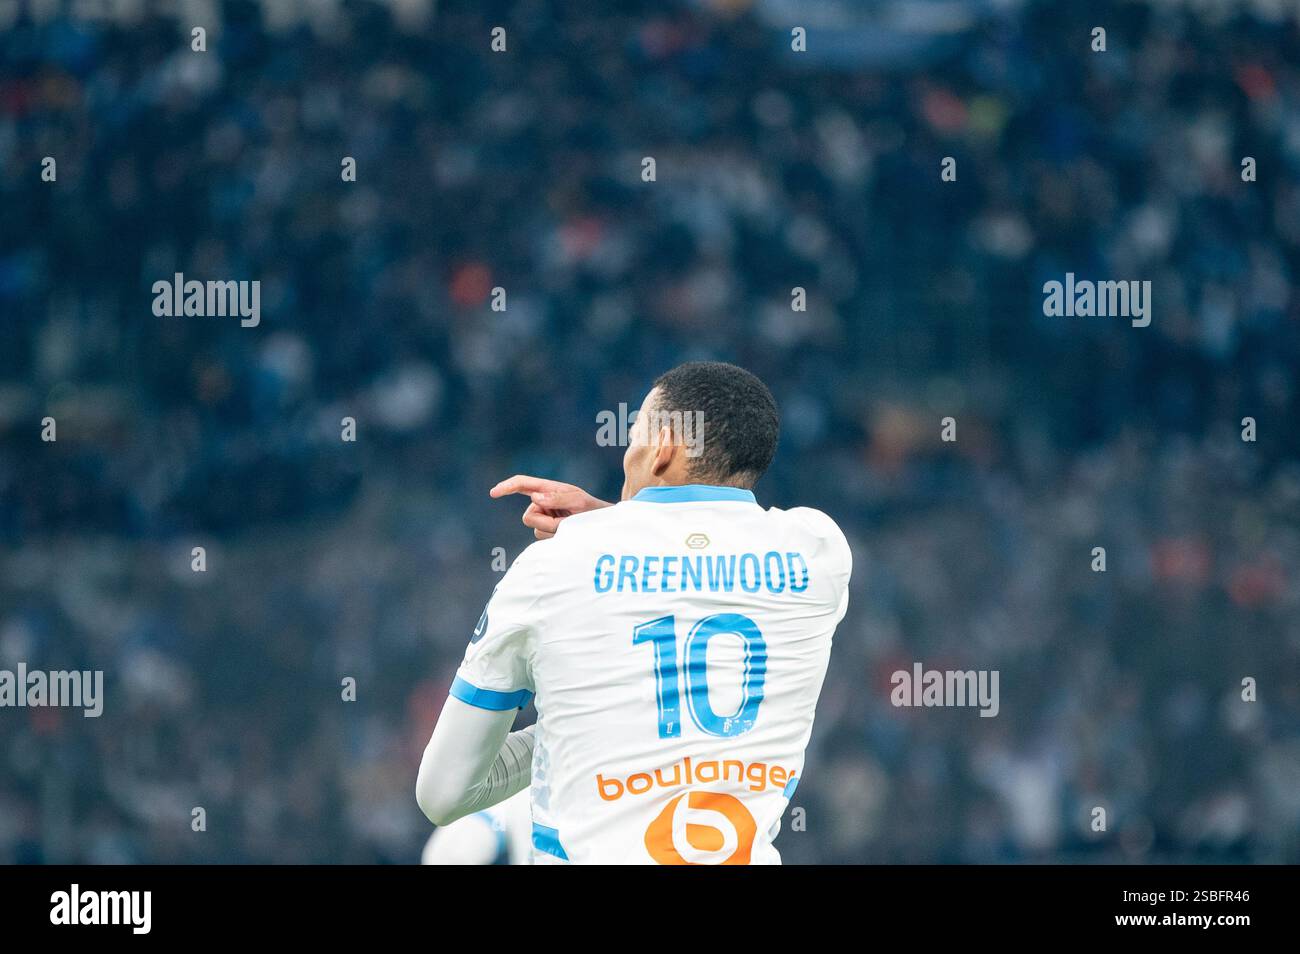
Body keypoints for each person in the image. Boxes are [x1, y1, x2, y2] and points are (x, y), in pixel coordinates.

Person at [416, 361, 852, 863]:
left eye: (634, 435)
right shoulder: (819, 553)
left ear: (664, 447)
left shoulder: (549, 568)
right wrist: (613, 523)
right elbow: (707, 562)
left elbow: (444, 794)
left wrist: (569, 723)